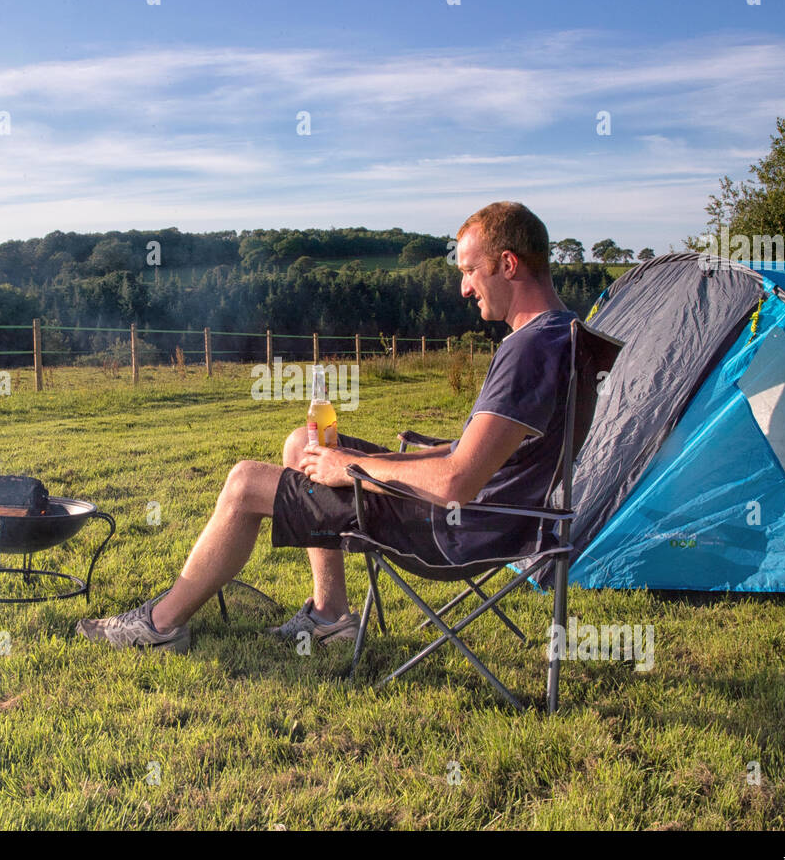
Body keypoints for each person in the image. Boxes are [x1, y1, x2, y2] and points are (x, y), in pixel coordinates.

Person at [76, 201, 577, 653]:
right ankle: (329, 614)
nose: (463, 287)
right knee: (305, 443)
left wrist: (352, 467)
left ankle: (160, 626)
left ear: (507, 264)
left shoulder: (529, 349)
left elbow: (456, 483)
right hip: (493, 519)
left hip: (455, 531)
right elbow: (469, 453)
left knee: (245, 482)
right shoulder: (561, 334)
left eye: (469, 270)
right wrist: (371, 460)